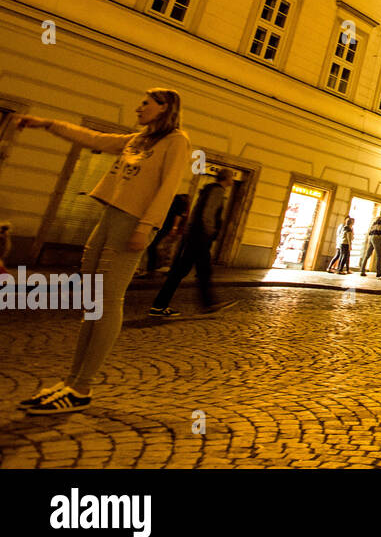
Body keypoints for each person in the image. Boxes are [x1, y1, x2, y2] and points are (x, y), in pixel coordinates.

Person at [14, 90, 190, 415]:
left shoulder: (176, 141)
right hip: (110, 216)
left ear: (165, 108)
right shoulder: (139, 140)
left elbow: (169, 185)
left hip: (133, 222)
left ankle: (82, 386)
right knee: (92, 301)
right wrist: (46, 123)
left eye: (146, 103)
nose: (139, 107)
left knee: (108, 301)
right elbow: (92, 137)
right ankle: (72, 382)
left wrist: (146, 226)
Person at [148, 168, 235, 317]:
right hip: (200, 237)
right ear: (226, 178)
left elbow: (197, 212)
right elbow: (207, 214)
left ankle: (162, 305)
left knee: (191, 271)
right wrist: (209, 233)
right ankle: (161, 305)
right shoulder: (217, 191)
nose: (232, 180)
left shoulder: (208, 189)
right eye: (231, 177)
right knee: (193, 271)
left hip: (196, 236)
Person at [142, 194, 189, 279]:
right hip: (165, 226)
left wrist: (174, 227)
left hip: (166, 226)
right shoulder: (180, 201)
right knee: (156, 246)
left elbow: (178, 216)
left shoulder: (179, 200)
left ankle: (154, 268)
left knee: (155, 246)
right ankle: (154, 268)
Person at [359, 209, 381, 276]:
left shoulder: (376, 219)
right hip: (377, 237)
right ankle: (378, 272)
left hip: (371, 236)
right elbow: (380, 229)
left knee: (367, 254)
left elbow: (371, 228)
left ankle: (362, 270)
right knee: (379, 255)